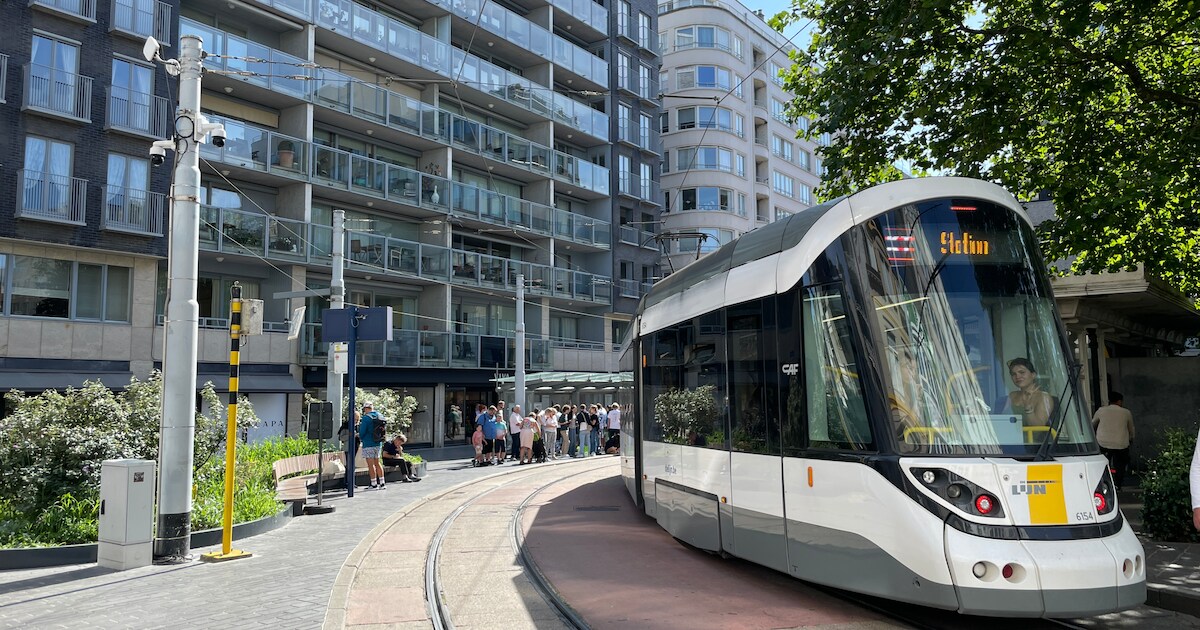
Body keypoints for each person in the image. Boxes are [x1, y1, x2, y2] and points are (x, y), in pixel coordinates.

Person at [1092, 392, 1134, 489]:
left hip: (1103, 442)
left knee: (1102, 464)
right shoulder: (1126, 412)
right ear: (1119, 401)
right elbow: (1131, 428)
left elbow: (1093, 424)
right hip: (1121, 443)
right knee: (1120, 465)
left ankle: (1102, 483)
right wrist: (1131, 438)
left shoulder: (1101, 411)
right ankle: (1118, 484)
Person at [1006, 357, 1055, 428]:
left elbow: (1038, 427)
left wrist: (1028, 409)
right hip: (1007, 437)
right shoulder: (1012, 395)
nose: (1017, 376)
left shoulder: (1044, 397)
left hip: (1031, 438)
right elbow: (1001, 420)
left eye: (1022, 372)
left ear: (1033, 375)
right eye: (1013, 374)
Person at [357, 403, 386, 490]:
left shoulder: (366, 418)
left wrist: (360, 437)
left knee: (370, 464)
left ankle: (373, 484)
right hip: (378, 443)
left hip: (368, 443)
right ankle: (382, 483)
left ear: (366, 409)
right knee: (377, 463)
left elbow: (362, 432)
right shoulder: (380, 415)